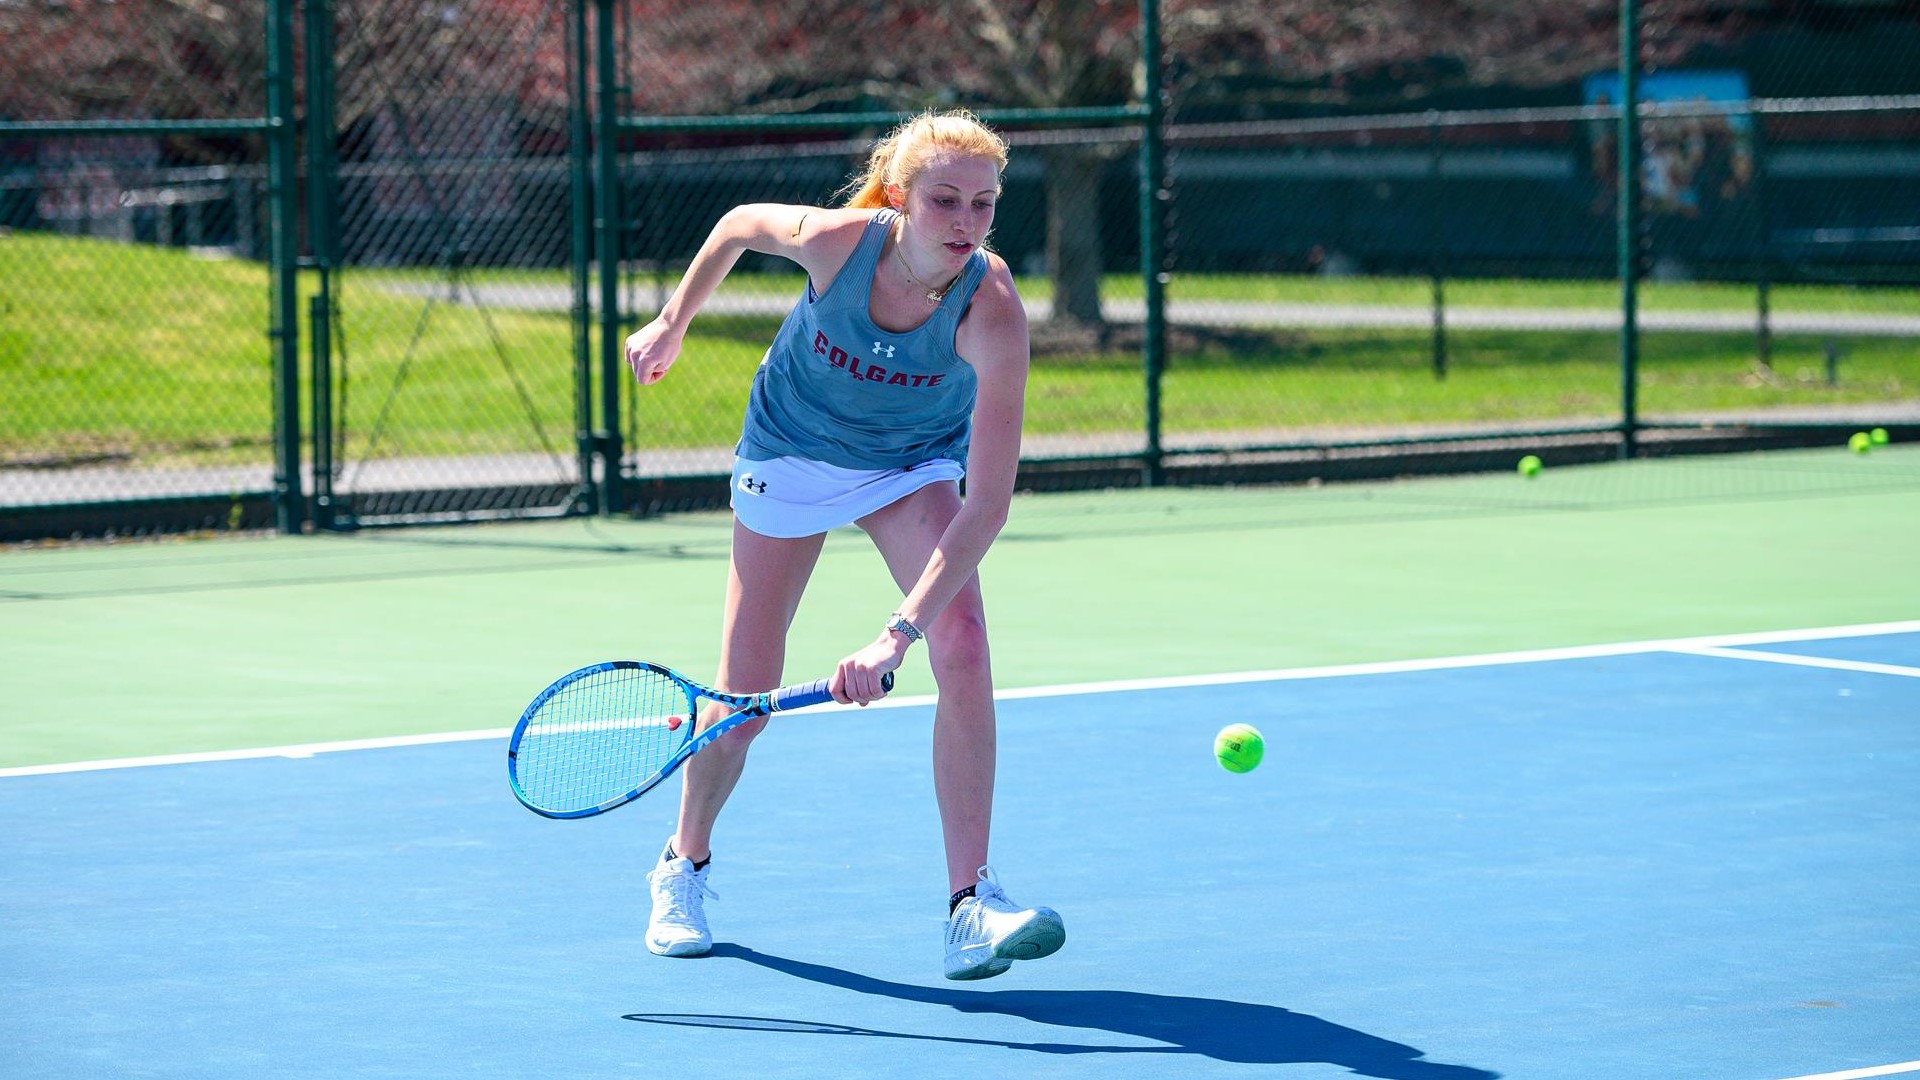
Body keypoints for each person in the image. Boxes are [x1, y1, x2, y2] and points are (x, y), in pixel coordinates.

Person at [621, 110, 1064, 981]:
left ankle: (970, 903)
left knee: (963, 646)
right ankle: (684, 864)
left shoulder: (993, 310)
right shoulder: (838, 243)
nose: (966, 223)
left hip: (907, 465)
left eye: (983, 204)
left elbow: (989, 505)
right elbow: (739, 224)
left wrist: (896, 632)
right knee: (742, 705)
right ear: (899, 199)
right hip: (789, 453)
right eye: (945, 201)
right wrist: (674, 321)